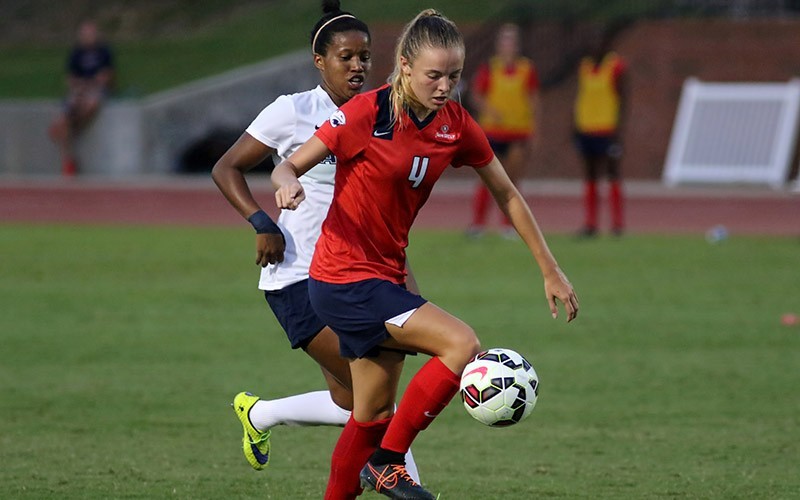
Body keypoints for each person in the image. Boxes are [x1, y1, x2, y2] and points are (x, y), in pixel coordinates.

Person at [271, 9, 579, 499]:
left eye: (454, 76)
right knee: (461, 345)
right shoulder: (364, 114)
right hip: (342, 277)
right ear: (405, 66)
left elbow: (508, 194)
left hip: (384, 277)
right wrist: (287, 186)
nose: (444, 86)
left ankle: (367, 467)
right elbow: (288, 167)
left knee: (370, 417)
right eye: (434, 75)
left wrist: (551, 268)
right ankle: (390, 464)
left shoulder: (454, 124)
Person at [211, 0, 420, 483]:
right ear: (319, 61)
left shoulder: (379, 113)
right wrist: (262, 222)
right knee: (379, 402)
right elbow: (227, 167)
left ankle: (260, 415)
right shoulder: (294, 111)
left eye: (365, 56)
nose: (358, 65)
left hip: (358, 273)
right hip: (299, 278)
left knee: (353, 402)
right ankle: (406, 486)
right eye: (345, 56)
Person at [468, 23, 540, 239]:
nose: (508, 45)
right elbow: (476, 95)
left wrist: (535, 127)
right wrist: (491, 110)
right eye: (504, 40)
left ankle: (509, 224)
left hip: (518, 132)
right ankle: (478, 223)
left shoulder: (526, 69)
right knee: (487, 178)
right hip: (493, 131)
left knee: (511, 179)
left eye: (512, 40)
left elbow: (533, 99)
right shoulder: (490, 68)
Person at [573, 28, 629, 237]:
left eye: (598, 40)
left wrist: (619, 130)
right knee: (590, 175)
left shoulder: (616, 67)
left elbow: (624, 99)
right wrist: (574, 124)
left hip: (607, 128)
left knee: (612, 173)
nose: (594, 45)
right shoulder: (585, 67)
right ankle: (591, 224)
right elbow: (581, 96)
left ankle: (617, 224)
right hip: (586, 127)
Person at [48, 20, 115, 177]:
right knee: (68, 112)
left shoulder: (104, 52)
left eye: (91, 33)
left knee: (91, 104)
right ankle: (68, 161)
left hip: (96, 90)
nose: (88, 37)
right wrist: (80, 86)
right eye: (85, 34)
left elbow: (106, 77)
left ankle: (72, 130)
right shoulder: (76, 53)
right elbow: (70, 79)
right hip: (80, 90)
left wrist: (91, 85)